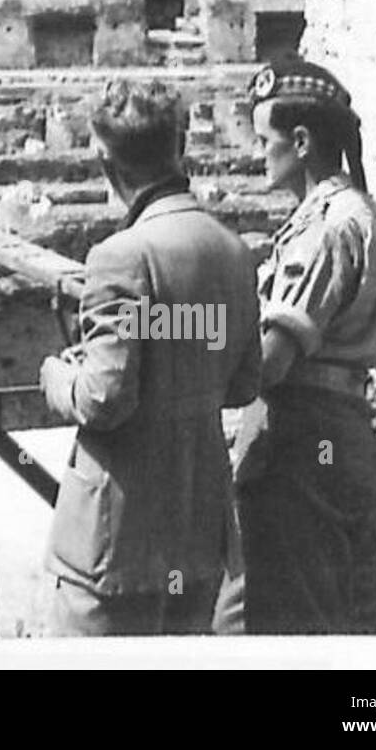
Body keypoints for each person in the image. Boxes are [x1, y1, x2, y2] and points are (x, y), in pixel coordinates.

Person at [34, 79, 260, 636]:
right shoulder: (232, 249)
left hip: (119, 536)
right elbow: (243, 384)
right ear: (178, 145)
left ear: (105, 160)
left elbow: (104, 399)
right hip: (197, 523)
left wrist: (57, 376)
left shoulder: (121, 256)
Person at [216, 57, 376, 634]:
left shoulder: (328, 226)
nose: (256, 153)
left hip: (305, 436)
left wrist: (189, 364)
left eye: (264, 140)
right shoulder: (354, 213)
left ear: (299, 142)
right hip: (333, 429)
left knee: (294, 616)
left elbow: (271, 363)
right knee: (309, 605)